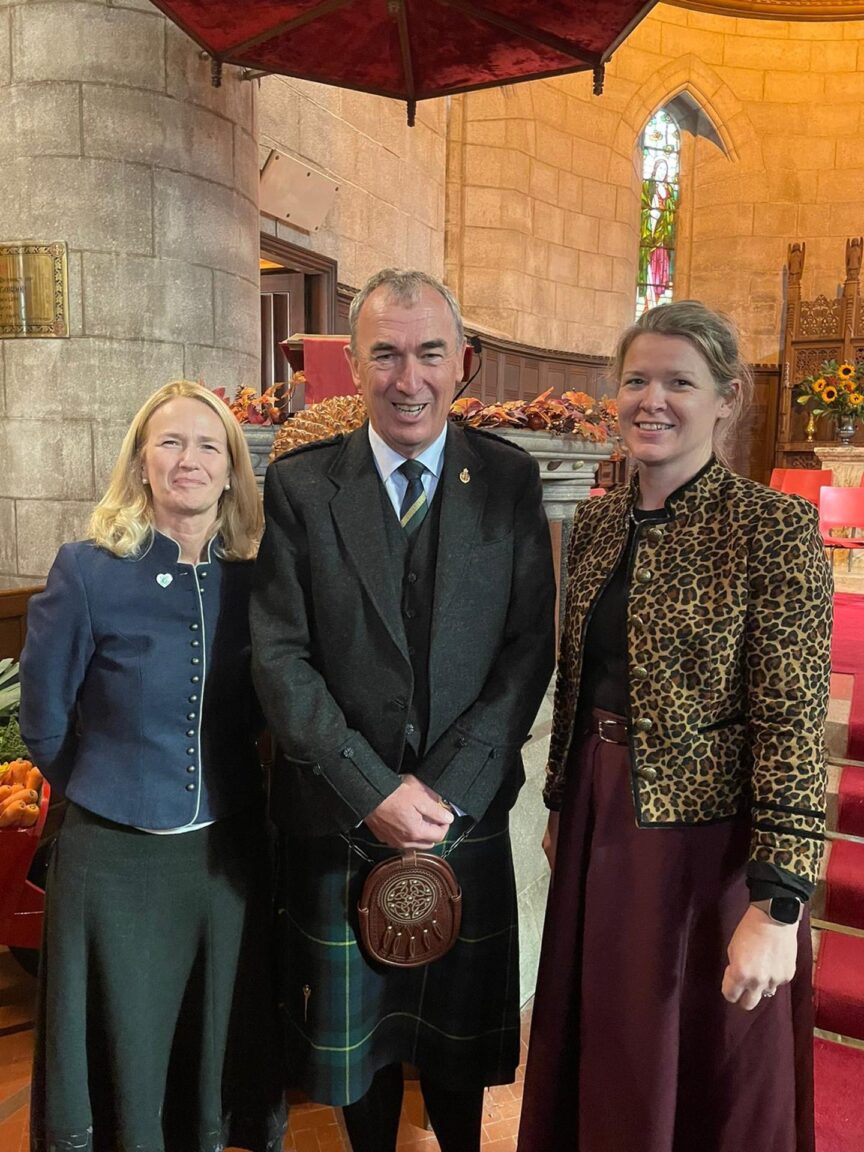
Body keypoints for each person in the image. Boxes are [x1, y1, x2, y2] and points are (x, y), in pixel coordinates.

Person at [250, 268, 556, 1152]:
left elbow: (528, 645)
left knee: (457, 1042)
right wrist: (370, 789)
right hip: (342, 812)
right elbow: (279, 655)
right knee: (362, 1047)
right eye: (384, 354)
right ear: (353, 365)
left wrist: (450, 788)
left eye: (429, 353)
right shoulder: (302, 487)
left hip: (464, 810)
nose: (408, 378)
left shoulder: (507, 480)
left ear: (462, 362)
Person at [518, 301, 833, 1152]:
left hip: (707, 848)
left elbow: (792, 723)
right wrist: (560, 802)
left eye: (679, 383)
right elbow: (578, 681)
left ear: (726, 400)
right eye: (636, 380)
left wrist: (778, 904)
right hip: (600, 816)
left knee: (697, 1062)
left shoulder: (771, 528)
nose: (651, 400)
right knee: (607, 1045)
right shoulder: (598, 522)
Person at [20, 380, 285, 1152]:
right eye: (169, 442)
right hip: (113, 864)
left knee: (212, 1044)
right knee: (122, 1050)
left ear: (232, 471)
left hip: (223, 861)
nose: (188, 459)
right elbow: (43, 722)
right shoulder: (87, 570)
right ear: (141, 463)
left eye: (208, 445)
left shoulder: (257, 581)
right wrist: (110, 789)